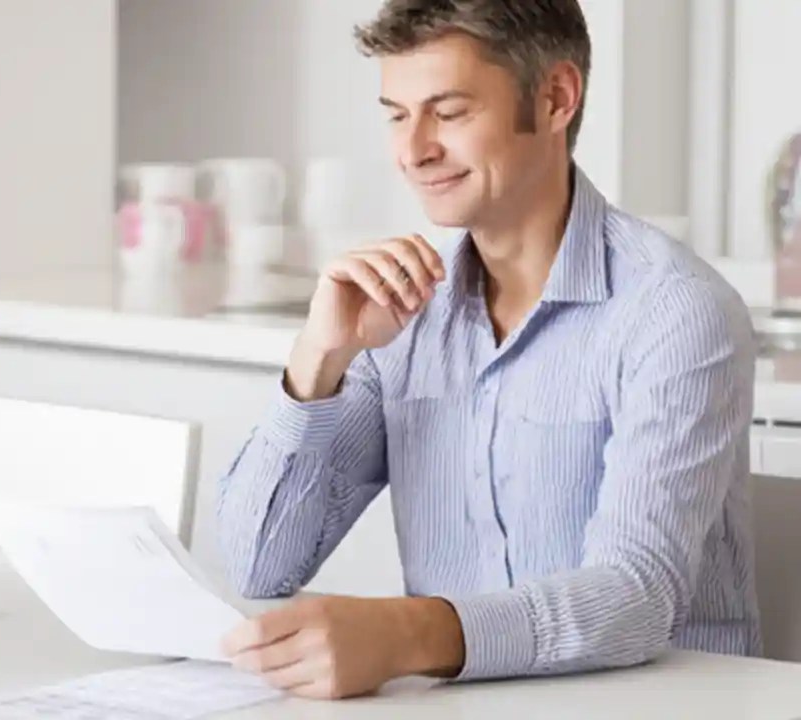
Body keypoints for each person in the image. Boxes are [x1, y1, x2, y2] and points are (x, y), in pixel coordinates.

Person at [216, 0, 760, 700]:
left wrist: (406, 635)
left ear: (556, 98)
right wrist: (318, 359)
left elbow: (636, 596)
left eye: (449, 112)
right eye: (395, 114)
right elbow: (259, 566)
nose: (412, 150)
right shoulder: (400, 313)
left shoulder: (674, 310)